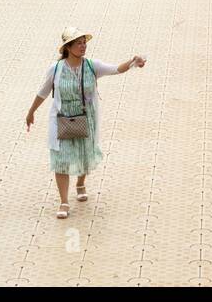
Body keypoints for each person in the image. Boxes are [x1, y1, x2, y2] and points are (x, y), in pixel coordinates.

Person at [26, 28, 148, 218]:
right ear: (67, 47)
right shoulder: (56, 69)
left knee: (85, 154)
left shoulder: (92, 66)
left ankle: (81, 183)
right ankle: (64, 201)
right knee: (61, 160)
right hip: (61, 120)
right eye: (78, 43)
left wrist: (133, 61)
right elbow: (43, 91)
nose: (83, 46)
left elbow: (116, 69)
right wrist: (31, 111)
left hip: (86, 118)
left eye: (84, 42)